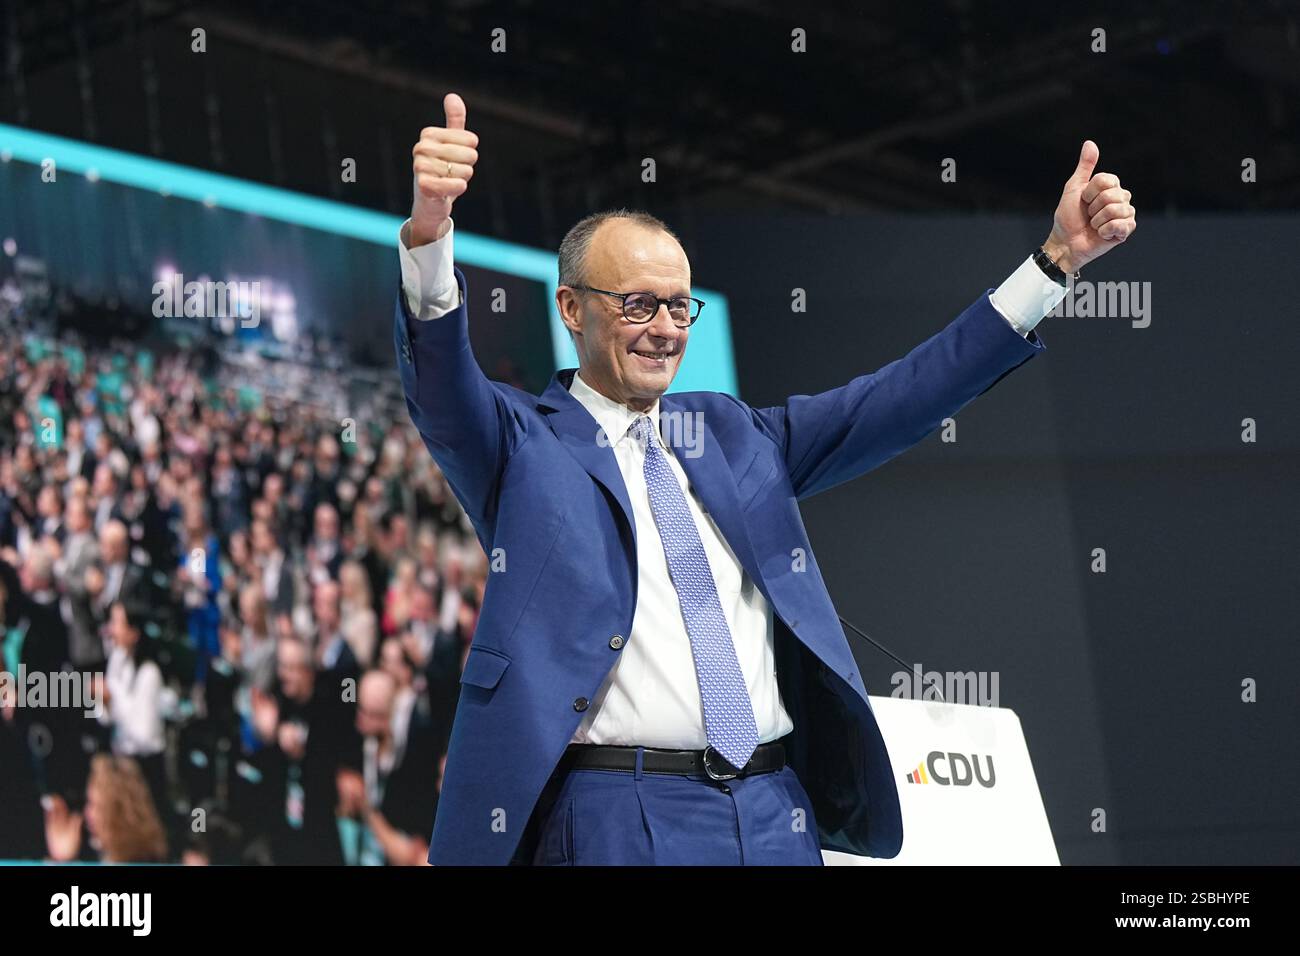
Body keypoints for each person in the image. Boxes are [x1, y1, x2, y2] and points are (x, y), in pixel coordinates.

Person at [394, 93, 1137, 866]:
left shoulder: (730, 433)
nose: (665, 329)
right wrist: (429, 232)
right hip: (618, 812)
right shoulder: (523, 445)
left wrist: (1052, 265)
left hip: (774, 805)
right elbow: (442, 388)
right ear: (573, 308)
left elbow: (901, 397)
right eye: (640, 304)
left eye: (682, 308)